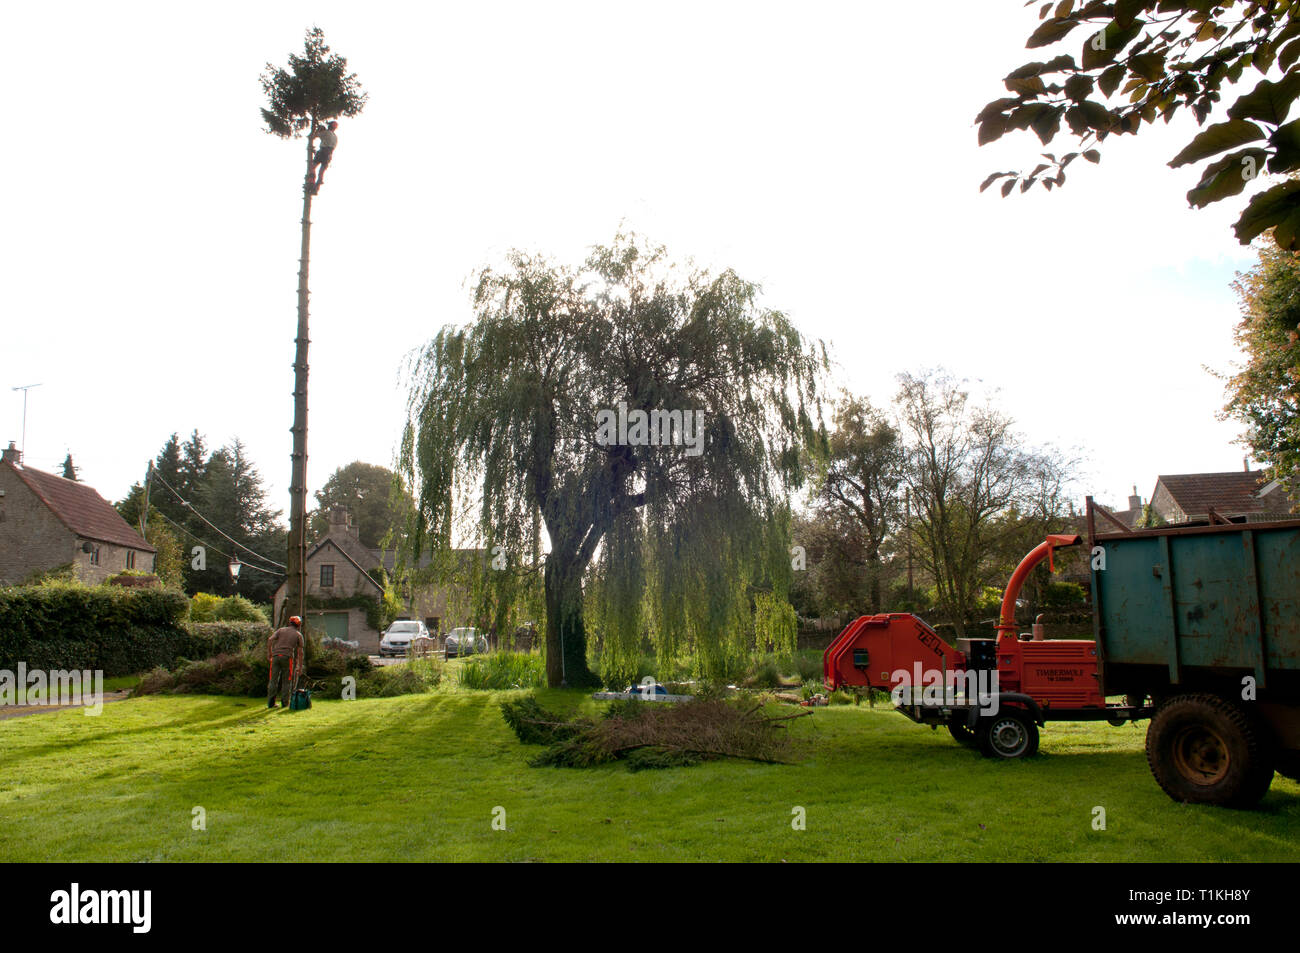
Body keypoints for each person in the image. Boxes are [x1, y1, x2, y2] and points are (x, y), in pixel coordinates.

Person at [268, 616, 305, 709]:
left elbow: (270, 640)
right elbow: (300, 653)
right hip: (287, 657)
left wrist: (270, 653)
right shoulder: (298, 634)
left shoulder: (281, 630)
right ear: (299, 625)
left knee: (273, 680)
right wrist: (299, 667)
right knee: (286, 681)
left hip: (275, 657)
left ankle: (271, 704)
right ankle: (285, 703)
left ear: (290, 622)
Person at [309, 121, 339, 192]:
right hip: (329, 155)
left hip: (323, 152)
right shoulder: (335, 136)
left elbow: (314, 136)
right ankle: (316, 188)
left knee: (312, 167)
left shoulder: (326, 133)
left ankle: (311, 182)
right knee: (321, 172)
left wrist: (317, 131)